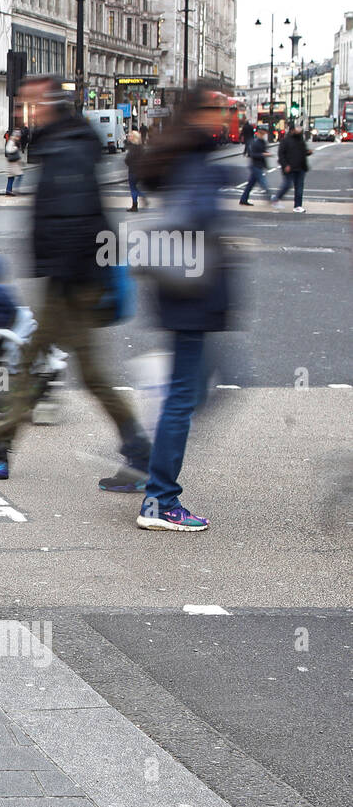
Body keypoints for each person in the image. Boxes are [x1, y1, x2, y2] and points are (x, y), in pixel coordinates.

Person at [0, 76, 150, 488]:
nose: (19, 111)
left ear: (45, 104)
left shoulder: (66, 149)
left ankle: (140, 453)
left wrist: (67, 284)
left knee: (81, 372)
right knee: (41, 363)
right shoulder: (62, 144)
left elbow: (75, 219)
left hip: (73, 281)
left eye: (26, 104)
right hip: (71, 278)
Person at [133, 88, 235, 531]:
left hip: (182, 292)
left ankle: (148, 467)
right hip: (194, 293)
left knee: (191, 392)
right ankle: (159, 498)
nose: (226, 115)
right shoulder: (194, 160)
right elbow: (192, 217)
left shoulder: (179, 153)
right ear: (200, 113)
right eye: (219, 108)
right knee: (184, 397)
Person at [272, 123, 310, 213]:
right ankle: (276, 198)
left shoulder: (301, 140)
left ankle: (297, 206)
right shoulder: (285, 141)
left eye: (300, 129)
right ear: (292, 130)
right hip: (290, 167)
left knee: (299, 187)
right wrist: (285, 165)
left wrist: (308, 152)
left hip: (301, 167)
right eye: (297, 129)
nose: (299, 130)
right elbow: (281, 154)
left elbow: (303, 152)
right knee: (287, 185)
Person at [238, 127, 270, 205]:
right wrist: (263, 154)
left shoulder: (263, 142)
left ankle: (243, 199)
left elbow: (263, 152)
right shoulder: (254, 142)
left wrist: (266, 164)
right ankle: (272, 200)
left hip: (259, 165)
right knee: (264, 183)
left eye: (264, 134)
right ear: (258, 133)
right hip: (255, 166)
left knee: (250, 185)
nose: (263, 135)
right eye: (262, 134)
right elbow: (252, 154)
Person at [125, 129, 145, 212]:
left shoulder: (132, 147)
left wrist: (127, 162)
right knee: (135, 187)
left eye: (130, 136)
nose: (128, 137)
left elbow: (128, 159)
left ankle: (134, 206)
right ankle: (143, 197)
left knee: (133, 188)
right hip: (140, 170)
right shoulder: (141, 147)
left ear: (134, 138)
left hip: (133, 170)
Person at [4, 129, 23, 195]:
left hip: (12, 162)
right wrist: (15, 148)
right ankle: (15, 189)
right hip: (13, 162)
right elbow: (8, 150)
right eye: (18, 136)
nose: (19, 137)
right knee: (20, 175)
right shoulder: (12, 141)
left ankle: (8, 190)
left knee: (11, 177)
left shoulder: (13, 141)